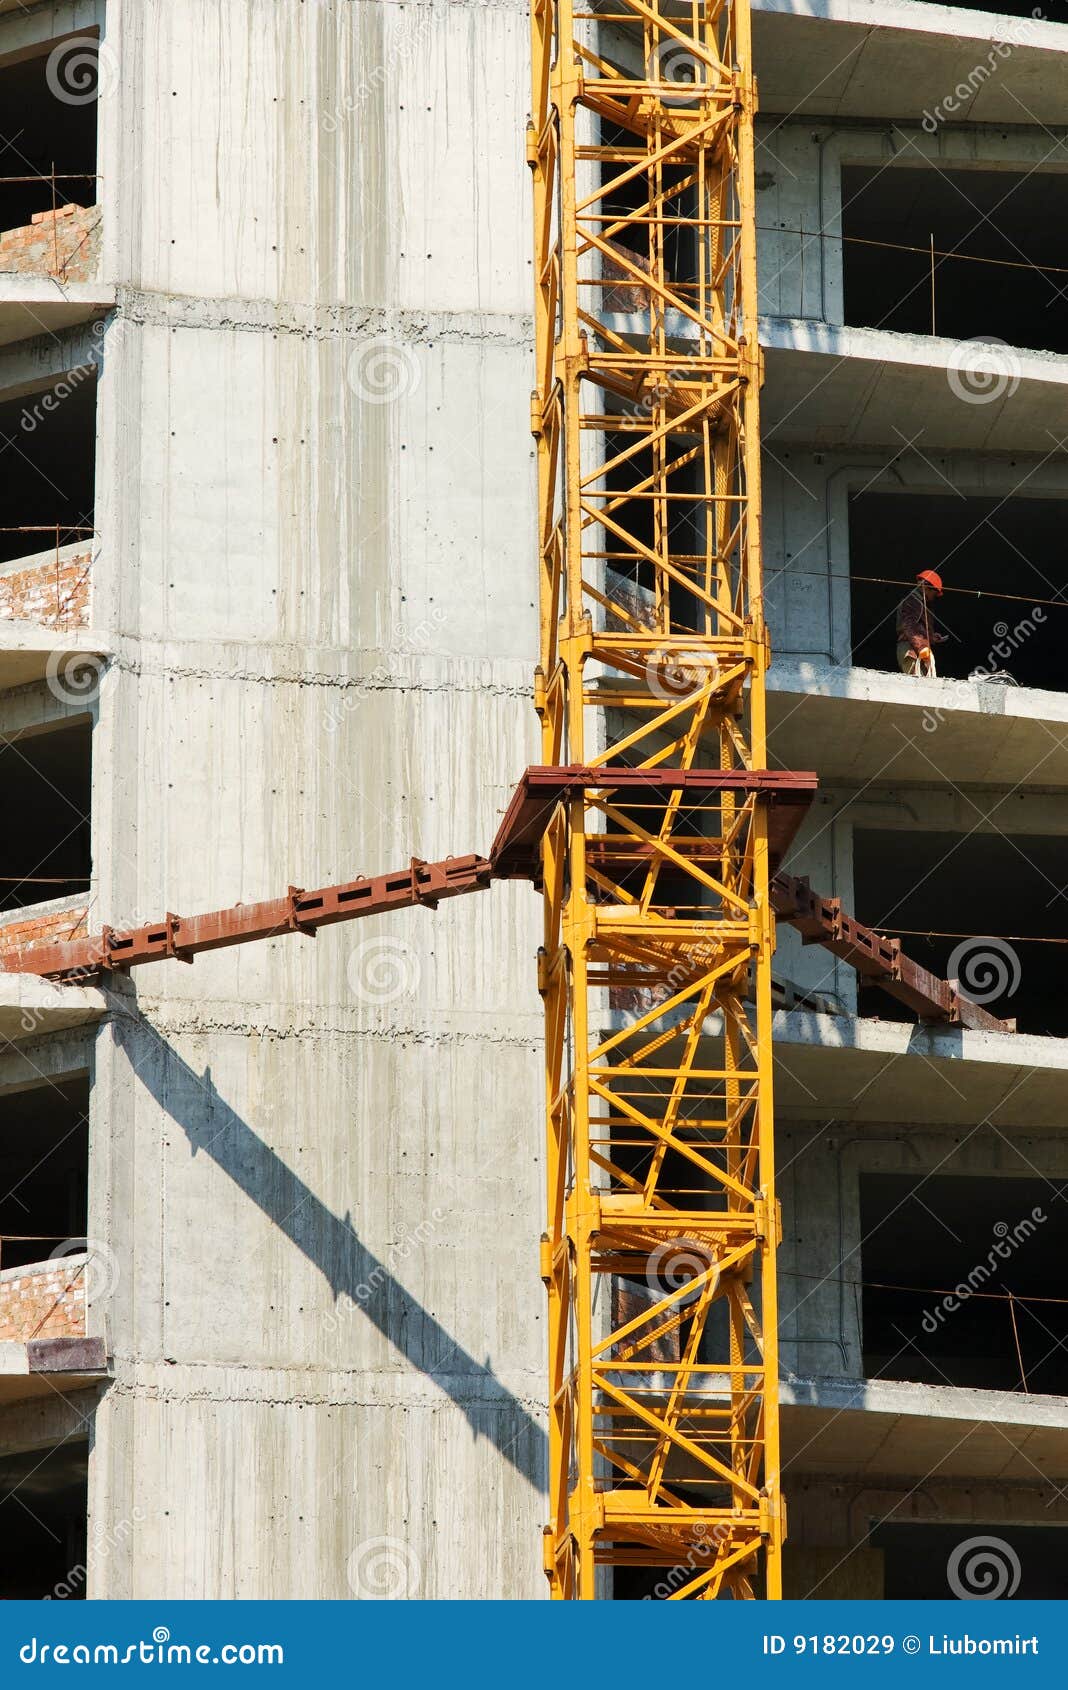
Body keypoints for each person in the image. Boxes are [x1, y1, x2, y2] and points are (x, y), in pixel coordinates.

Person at [897, 569, 947, 677]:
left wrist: (931, 637)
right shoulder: (912, 600)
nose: (935, 596)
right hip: (910, 650)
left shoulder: (920, 602)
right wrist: (922, 647)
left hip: (916, 650)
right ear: (926, 587)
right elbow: (909, 626)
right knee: (919, 685)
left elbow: (918, 627)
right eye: (935, 593)